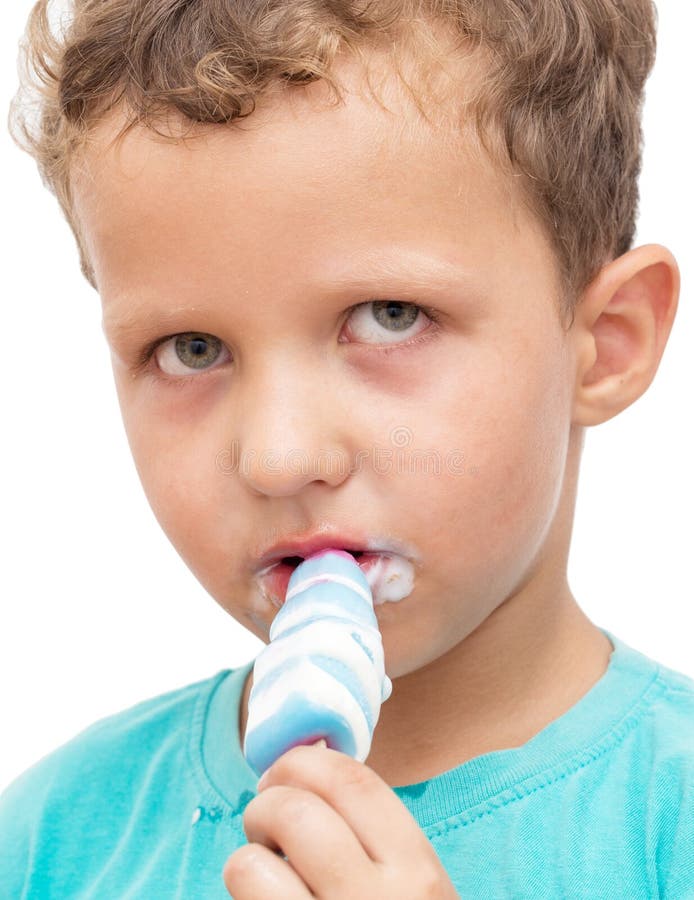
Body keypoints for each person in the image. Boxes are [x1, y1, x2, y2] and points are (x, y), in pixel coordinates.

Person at [2, 0, 692, 896]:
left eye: (389, 318)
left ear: (607, 340)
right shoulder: (50, 843)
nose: (279, 457)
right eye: (191, 350)